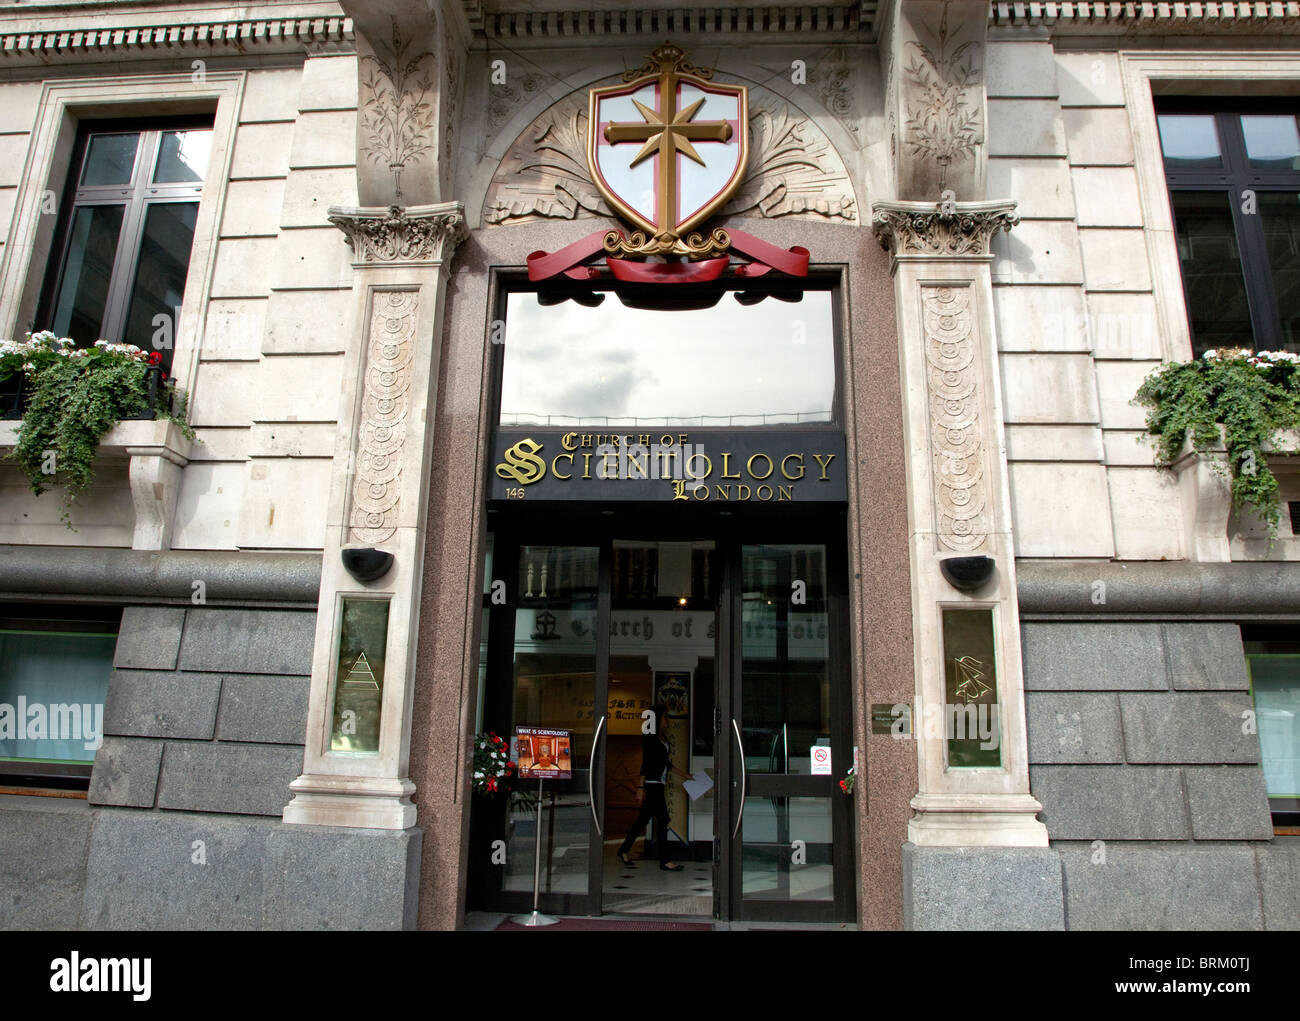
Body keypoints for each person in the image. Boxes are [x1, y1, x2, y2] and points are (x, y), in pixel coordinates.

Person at [617, 704, 692, 871]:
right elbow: (646, 763)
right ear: (658, 718)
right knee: (664, 819)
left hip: (659, 784)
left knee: (642, 820)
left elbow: (666, 764)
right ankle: (665, 860)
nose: (668, 720)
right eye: (665, 717)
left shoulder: (662, 737)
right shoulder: (650, 737)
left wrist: (685, 775)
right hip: (652, 785)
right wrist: (640, 787)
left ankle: (623, 850)